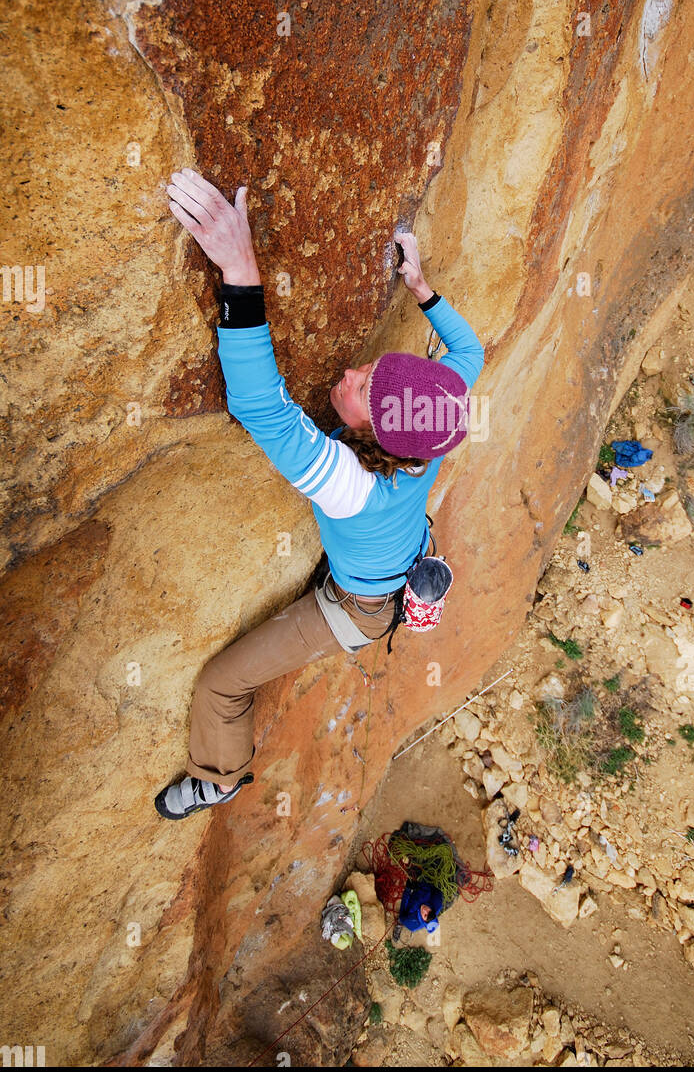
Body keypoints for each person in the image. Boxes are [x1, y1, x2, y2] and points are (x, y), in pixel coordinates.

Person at [154, 169, 484, 820]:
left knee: (221, 684)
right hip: (402, 555)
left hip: (359, 607)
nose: (356, 371)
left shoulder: (349, 483)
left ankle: (216, 779)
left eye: (362, 390)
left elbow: (262, 409)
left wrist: (242, 272)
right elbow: (465, 353)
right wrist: (421, 287)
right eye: (378, 371)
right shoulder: (431, 423)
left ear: (375, 440)